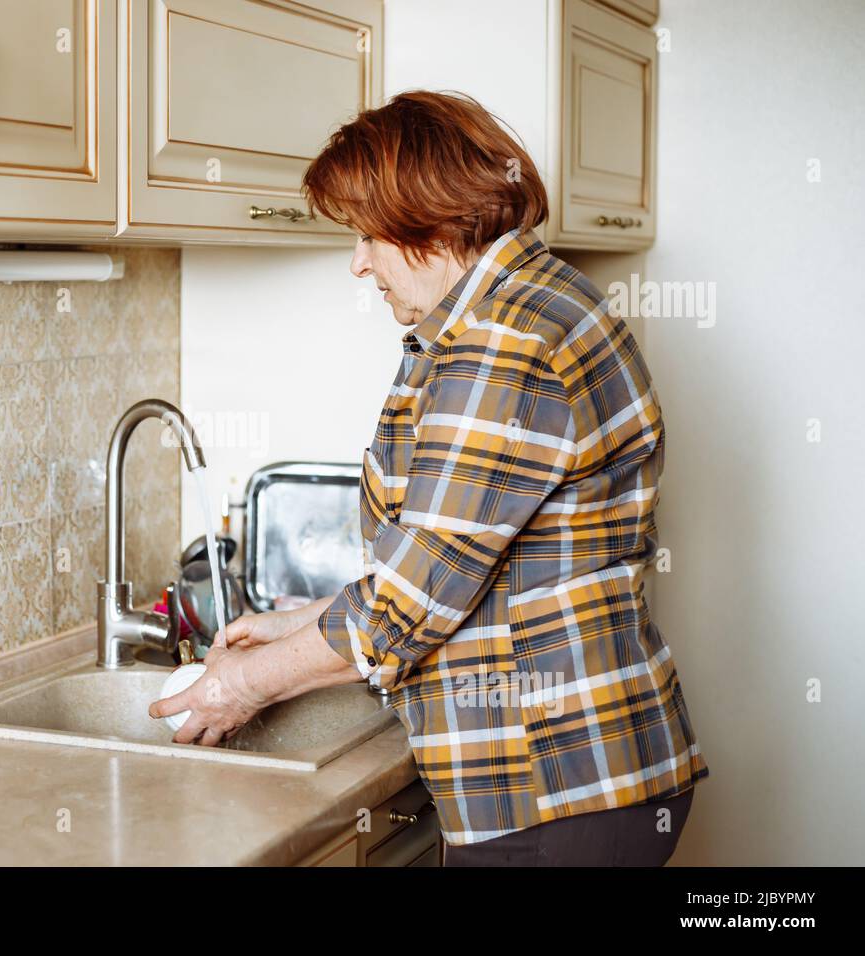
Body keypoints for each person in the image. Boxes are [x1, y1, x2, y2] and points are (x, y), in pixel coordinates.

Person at [150, 90, 709, 866]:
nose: (358, 262)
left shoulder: (503, 345)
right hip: (582, 770)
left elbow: (400, 613)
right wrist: (296, 623)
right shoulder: (529, 303)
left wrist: (239, 687)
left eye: (368, 234)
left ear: (433, 220)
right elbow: (462, 563)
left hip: (550, 783)